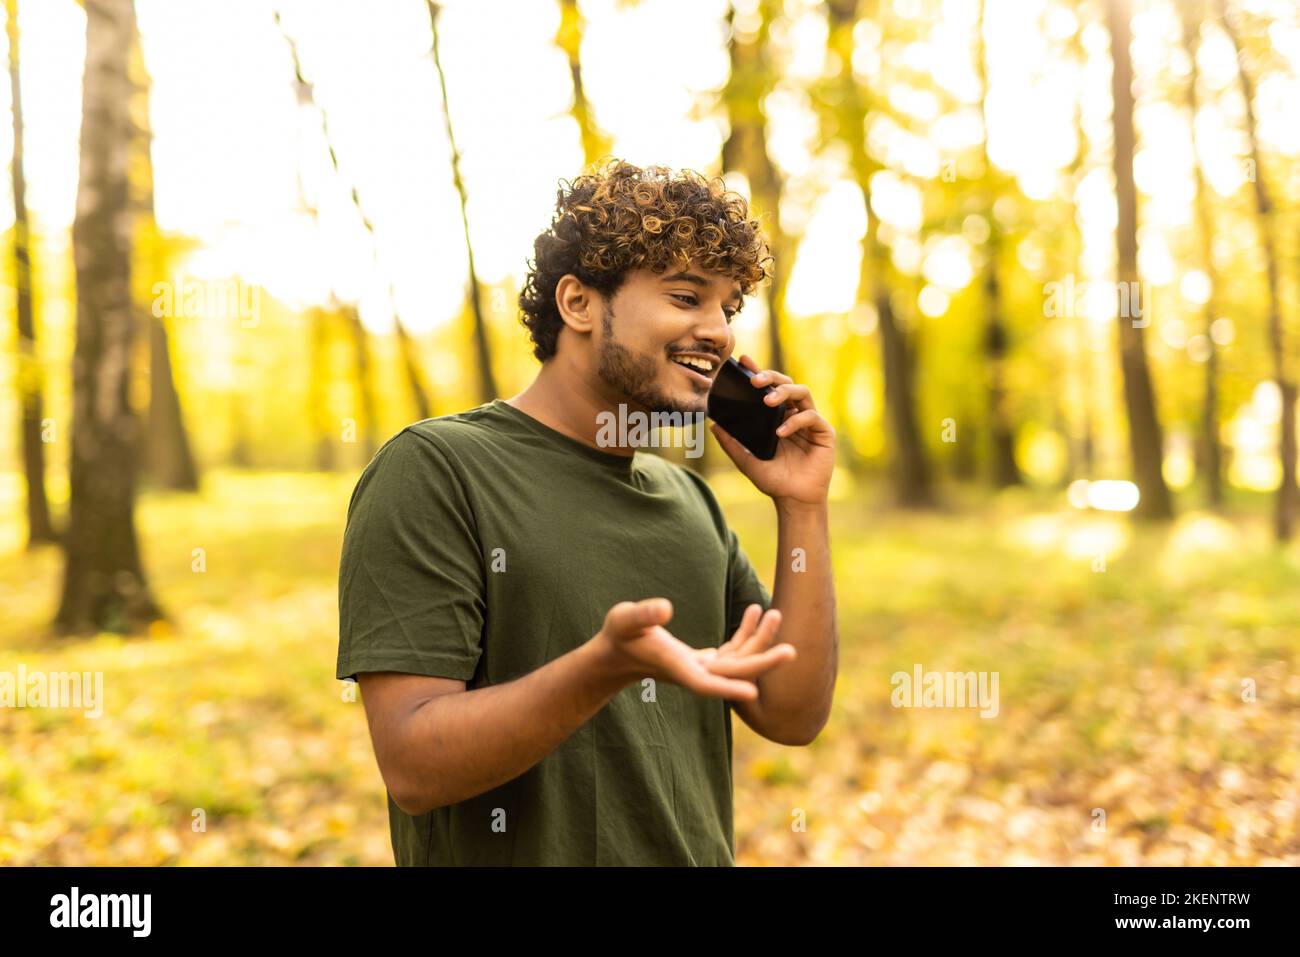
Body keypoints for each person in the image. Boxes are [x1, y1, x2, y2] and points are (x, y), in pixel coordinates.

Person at [336, 158, 838, 865]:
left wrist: (802, 506)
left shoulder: (689, 501)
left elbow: (792, 712)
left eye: (728, 308)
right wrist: (602, 668)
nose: (720, 332)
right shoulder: (436, 470)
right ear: (577, 304)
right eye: (686, 296)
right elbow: (415, 764)